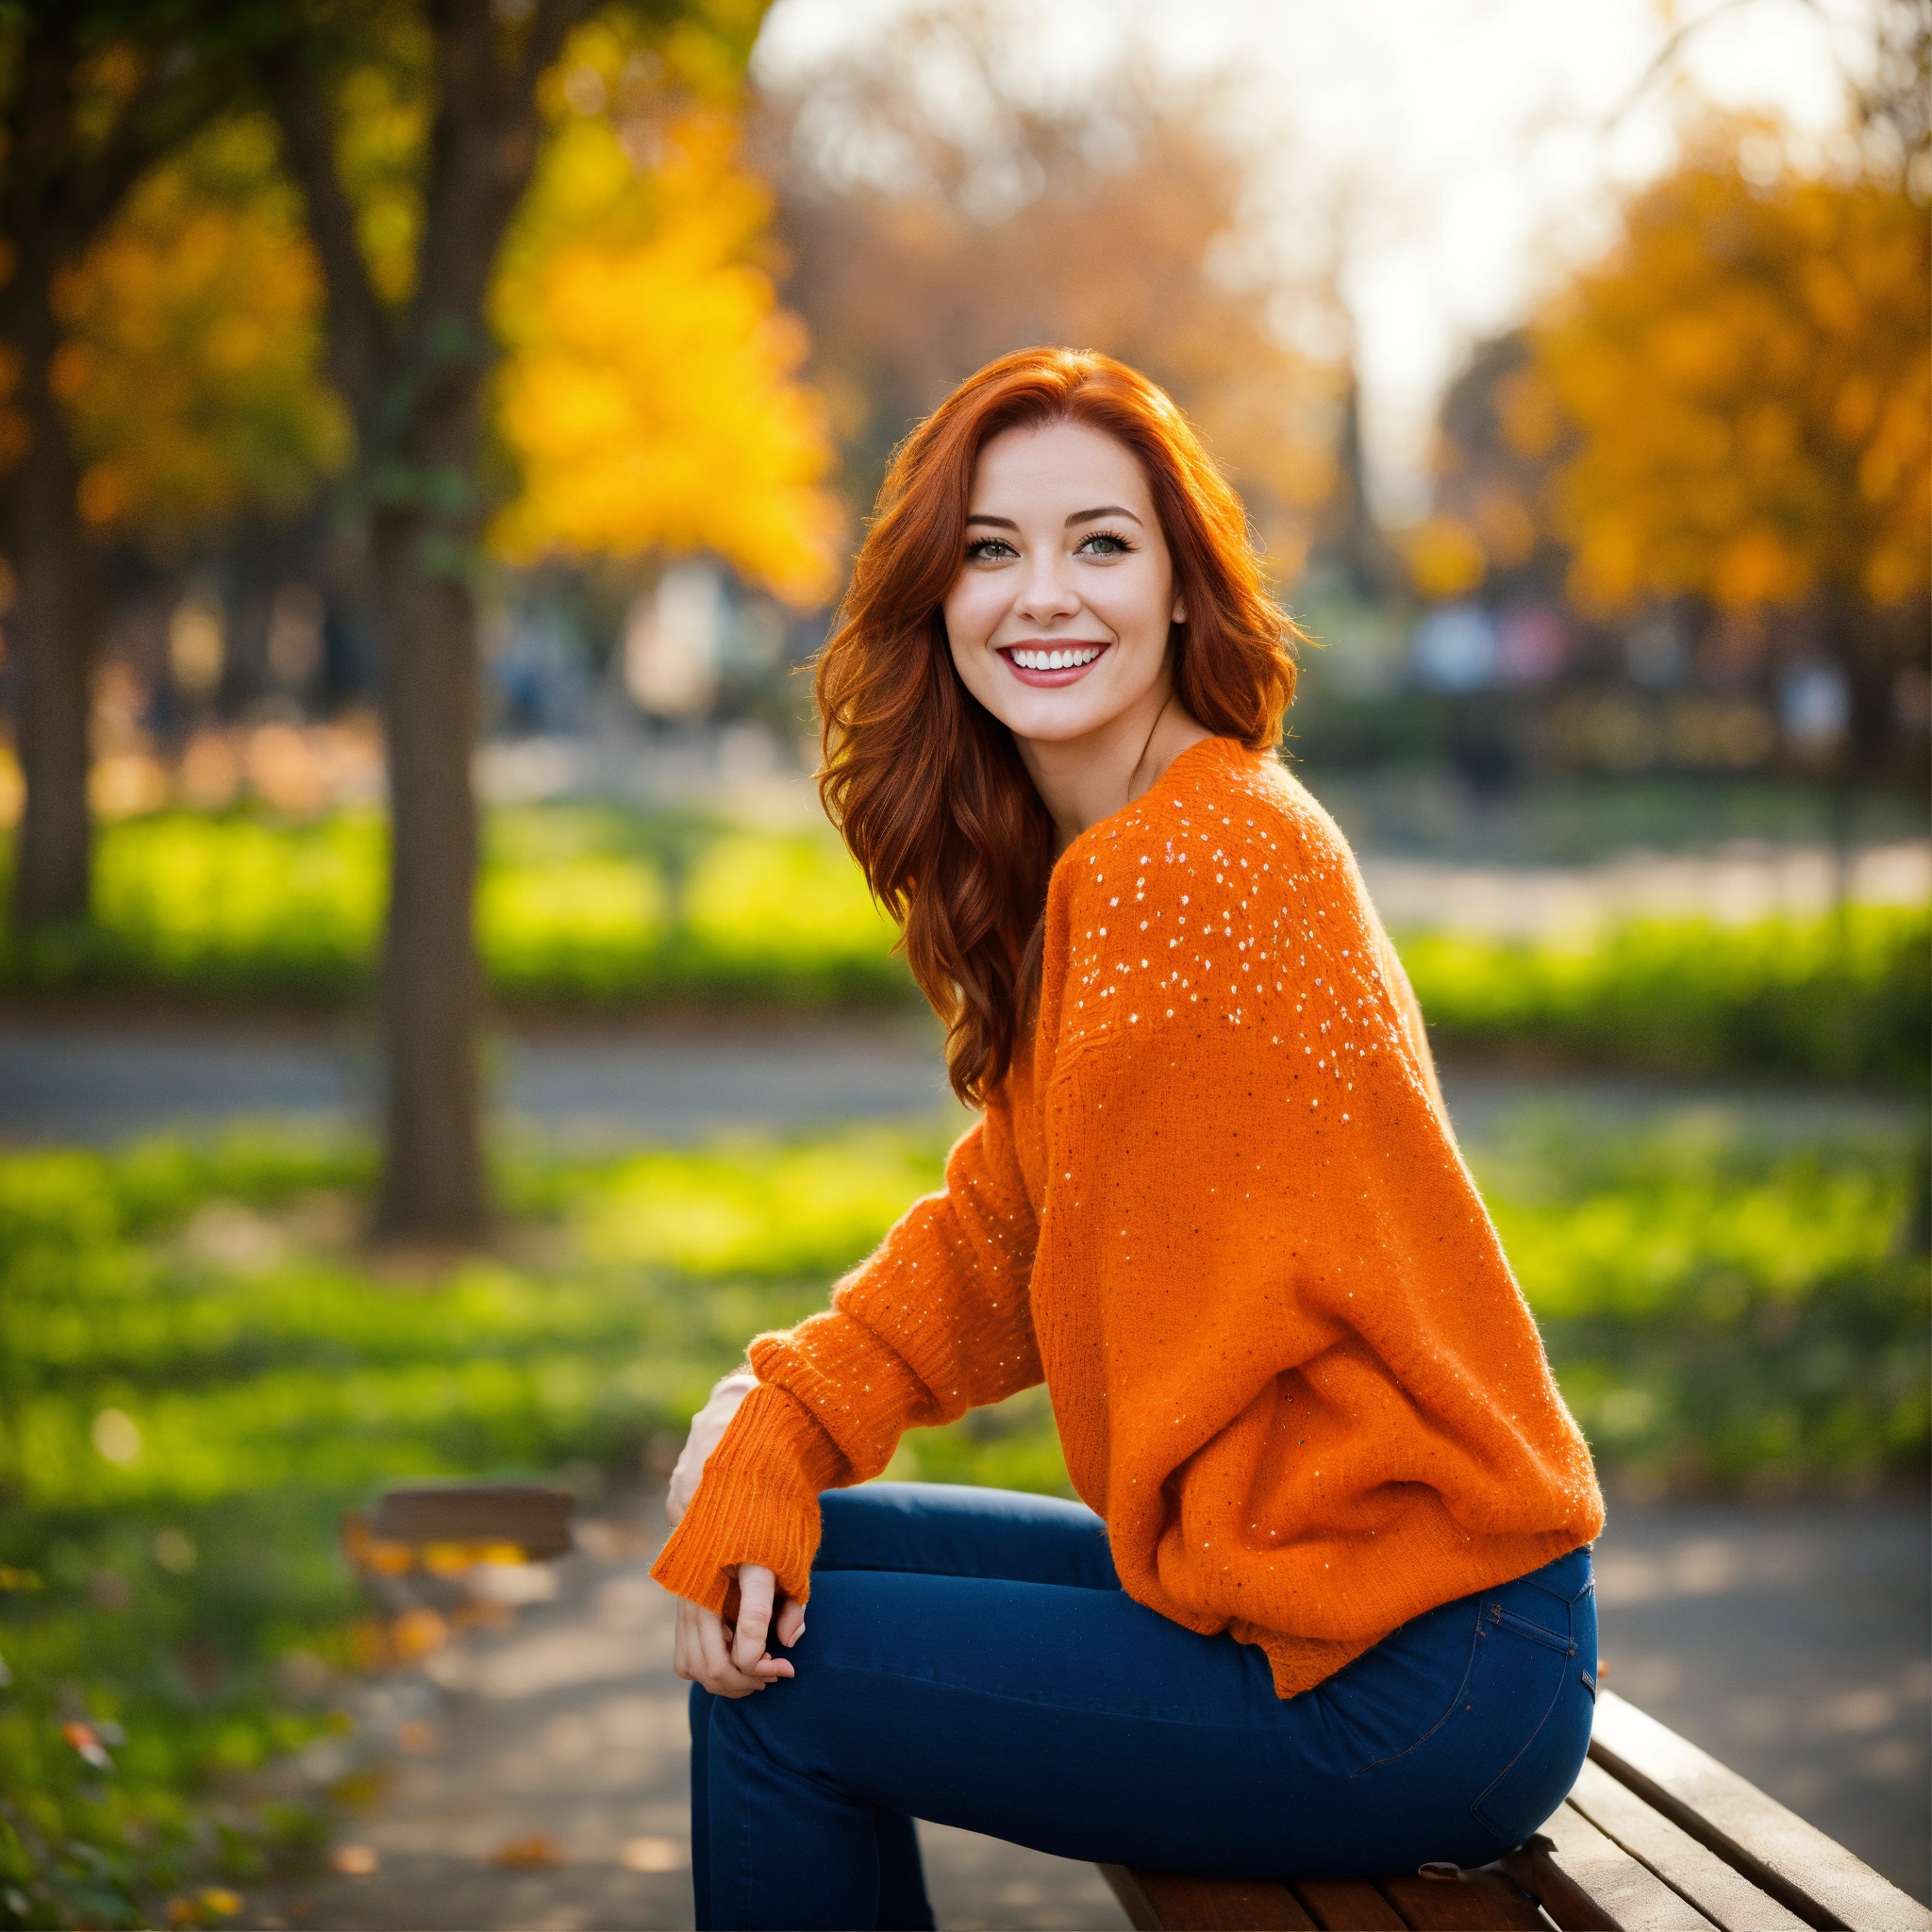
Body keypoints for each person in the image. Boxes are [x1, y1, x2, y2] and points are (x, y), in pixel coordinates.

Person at [652, 346, 1604, 1932]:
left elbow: (1025, 1251)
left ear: (1180, 588)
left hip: (1411, 1662)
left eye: (1101, 542)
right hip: (1364, 1606)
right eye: (990, 548)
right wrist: (786, 1416)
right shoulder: (1140, 845)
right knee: (803, 1558)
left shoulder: (1192, 869)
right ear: (937, 598)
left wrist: (780, 1406)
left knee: (782, 1681)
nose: (1044, 595)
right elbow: (1010, 1227)